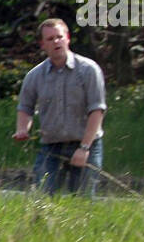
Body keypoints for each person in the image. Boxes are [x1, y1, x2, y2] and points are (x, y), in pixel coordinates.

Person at [13, 18, 107, 197]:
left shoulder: (89, 70)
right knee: (42, 199)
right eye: (50, 39)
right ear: (42, 45)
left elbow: (97, 110)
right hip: (51, 146)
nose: (56, 42)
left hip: (86, 143)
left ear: (68, 38)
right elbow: (25, 107)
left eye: (59, 37)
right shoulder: (35, 76)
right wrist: (22, 129)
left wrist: (84, 148)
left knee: (83, 201)